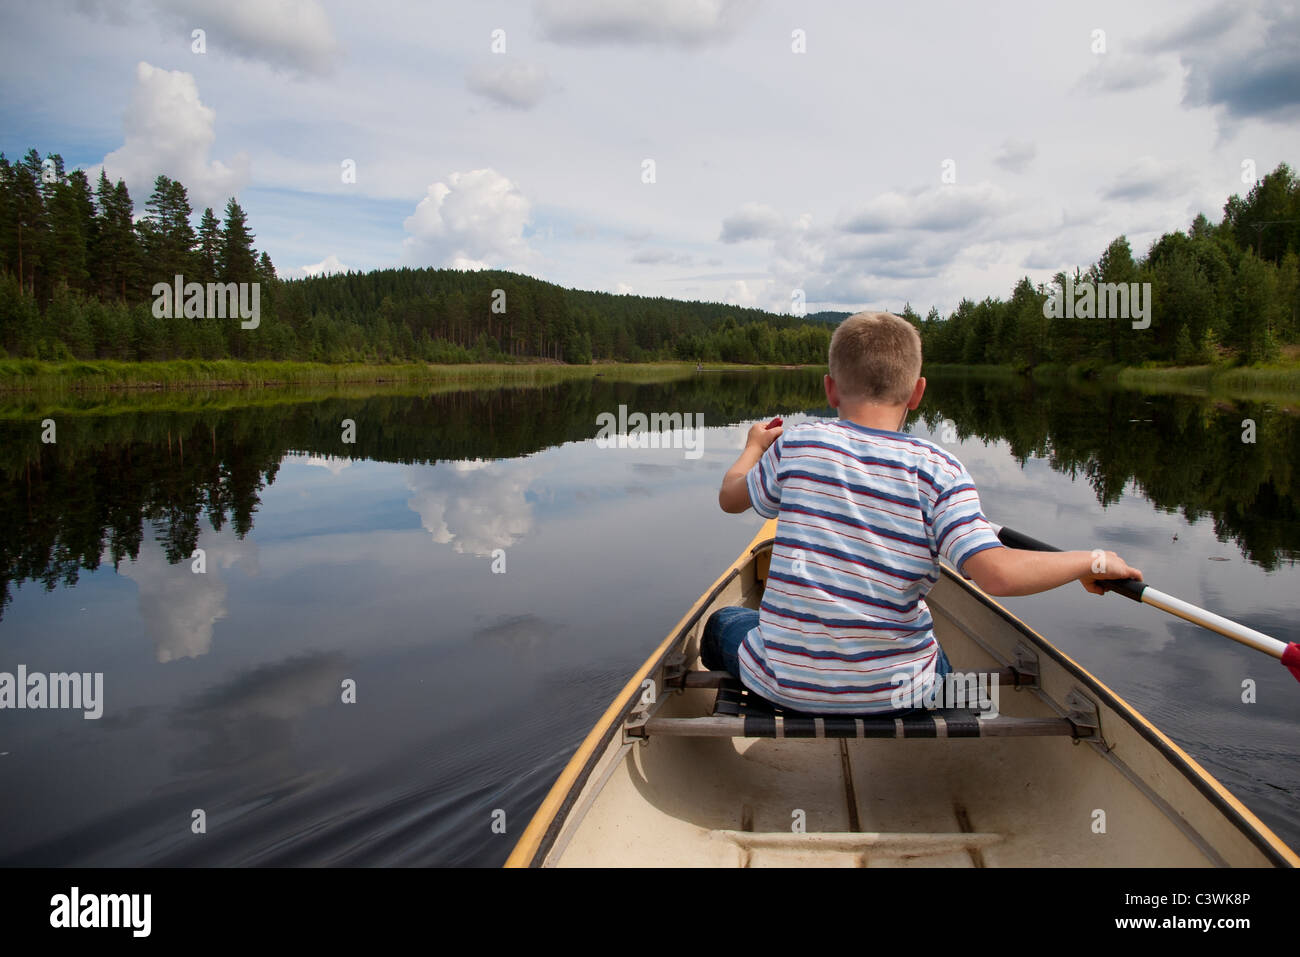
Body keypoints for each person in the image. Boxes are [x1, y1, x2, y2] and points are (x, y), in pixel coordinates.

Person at [709, 311, 1142, 715]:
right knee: (935, 659)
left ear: (830, 389)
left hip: (784, 684)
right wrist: (1091, 560)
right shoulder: (939, 469)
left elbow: (730, 499)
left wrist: (753, 447)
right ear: (917, 393)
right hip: (903, 694)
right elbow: (997, 575)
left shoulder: (796, 445)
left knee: (724, 622)